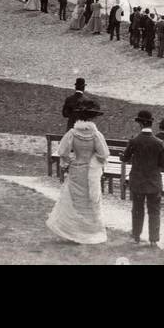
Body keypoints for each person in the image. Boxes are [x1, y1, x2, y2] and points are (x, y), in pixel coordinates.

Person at [46, 99, 109, 245]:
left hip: (76, 169)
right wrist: (94, 160)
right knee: (89, 199)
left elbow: (62, 151)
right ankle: (88, 232)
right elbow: (104, 154)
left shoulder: (72, 133)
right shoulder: (96, 135)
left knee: (76, 200)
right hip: (90, 172)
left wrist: (70, 160)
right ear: (93, 118)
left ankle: (74, 232)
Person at [122, 109, 164, 249]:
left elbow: (125, 158)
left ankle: (136, 236)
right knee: (154, 210)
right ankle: (153, 239)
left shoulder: (134, 141)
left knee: (137, 208)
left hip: (137, 180)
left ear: (140, 124)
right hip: (154, 181)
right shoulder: (159, 143)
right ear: (150, 124)